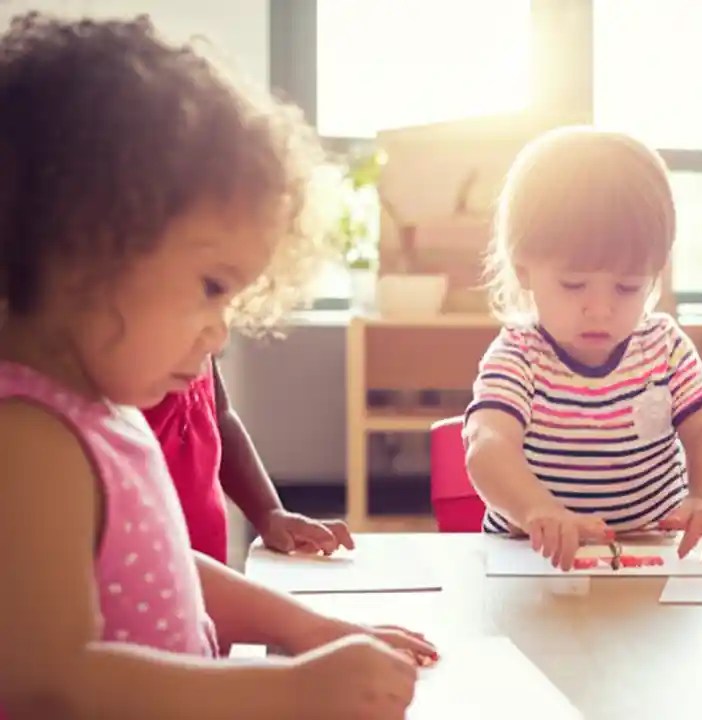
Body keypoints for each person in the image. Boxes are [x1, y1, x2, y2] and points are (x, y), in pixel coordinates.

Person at [0, 14, 434, 719]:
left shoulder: (98, 414)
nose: (221, 328)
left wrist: (311, 630)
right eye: (212, 287)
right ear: (85, 248)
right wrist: (292, 692)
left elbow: (173, 568)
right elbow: (50, 680)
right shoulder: (26, 440)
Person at [462, 126, 702, 571]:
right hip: (536, 560)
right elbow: (488, 443)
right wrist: (538, 510)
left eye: (628, 287)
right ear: (525, 270)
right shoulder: (519, 356)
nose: (600, 309)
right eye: (573, 285)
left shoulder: (665, 348)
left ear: (656, 274)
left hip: (653, 555)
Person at [142, 357, 353, 564]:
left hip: (205, 566)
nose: (220, 338)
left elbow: (219, 416)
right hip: (156, 576)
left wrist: (269, 513)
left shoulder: (194, 344)